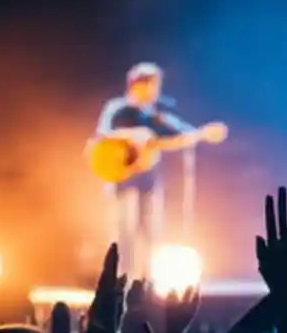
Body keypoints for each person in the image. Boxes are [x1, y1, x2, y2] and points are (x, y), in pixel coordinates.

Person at [91, 63, 226, 275]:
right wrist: (134, 135)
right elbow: (102, 135)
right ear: (137, 85)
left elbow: (178, 136)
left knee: (151, 234)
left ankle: (146, 283)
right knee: (124, 234)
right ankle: (120, 283)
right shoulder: (117, 109)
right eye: (153, 85)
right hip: (122, 181)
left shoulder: (155, 116)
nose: (156, 91)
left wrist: (202, 134)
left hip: (148, 182)